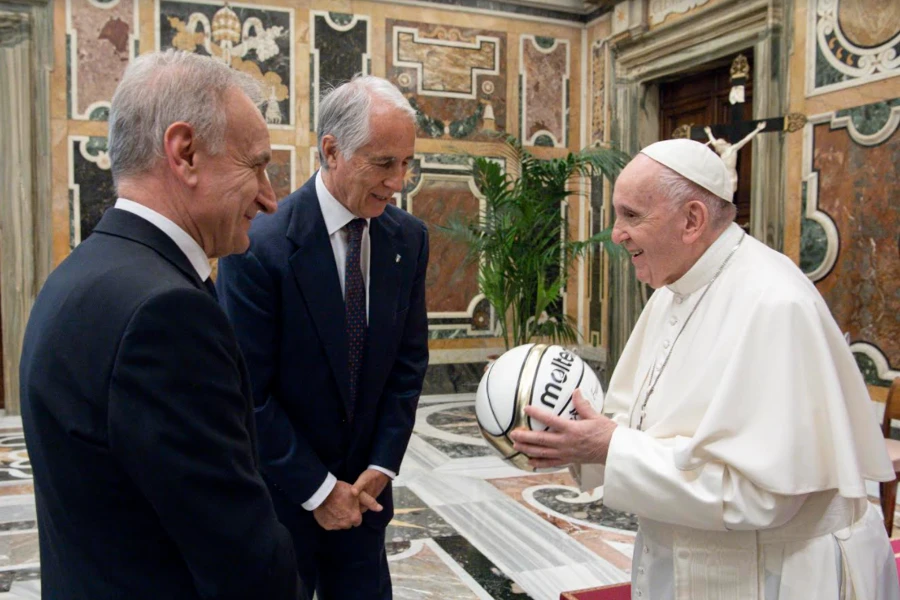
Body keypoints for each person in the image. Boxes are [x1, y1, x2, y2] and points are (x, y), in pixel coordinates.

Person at [510, 139, 898, 600]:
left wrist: (609, 448)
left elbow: (763, 495)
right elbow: (636, 424)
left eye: (631, 215)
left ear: (692, 220)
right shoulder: (673, 290)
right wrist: (578, 445)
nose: (616, 234)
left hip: (779, 575)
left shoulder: (776, 303)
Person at [19, 50, 306, 600]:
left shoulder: (77, 274)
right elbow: (241, 560)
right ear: (185, 153)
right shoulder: (166, 316)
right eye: (255, 166)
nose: (270, 199)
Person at [216, 74, 429, 599]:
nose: (398, 181)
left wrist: (381, 464)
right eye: (384, 163)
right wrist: (319, 489)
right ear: (332, 151)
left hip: (367, 501)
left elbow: (408, 364)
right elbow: (249, 393)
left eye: (407, 163)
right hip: (284, 502)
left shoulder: (408, 239)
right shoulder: (259, 245)